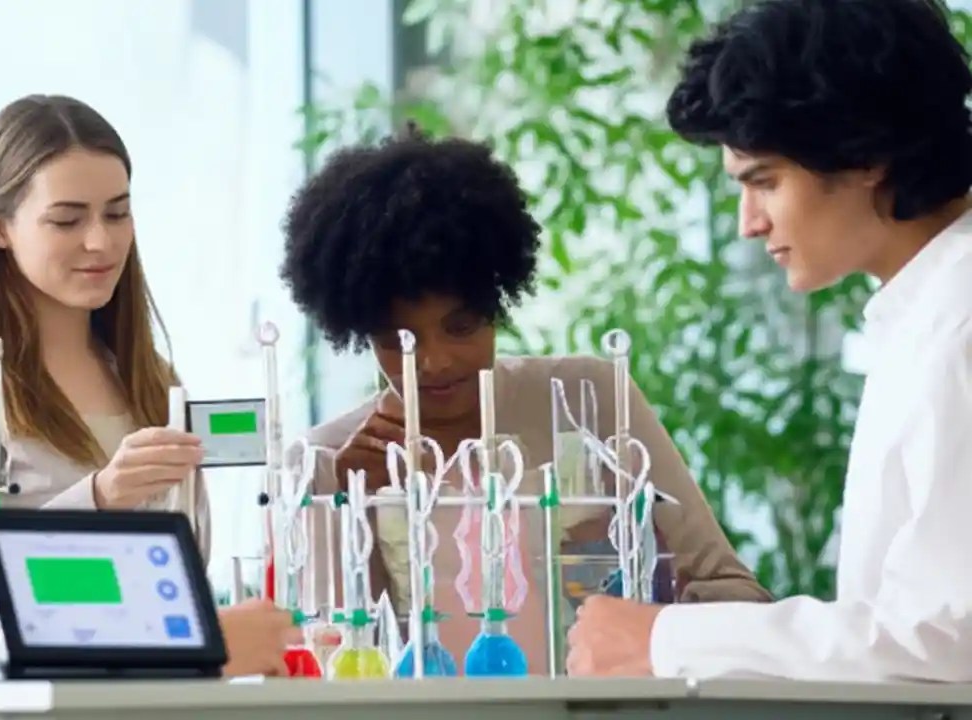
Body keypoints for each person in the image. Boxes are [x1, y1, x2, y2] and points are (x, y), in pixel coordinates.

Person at [566, 0, 972, 682]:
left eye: (764, 182)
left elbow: (949, 637)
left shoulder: (960, 323)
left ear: (865, 153)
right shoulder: (923, 310)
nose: (748, 224)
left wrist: (669, 642)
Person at [278, 125, 769, 675]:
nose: (435, 361)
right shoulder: (325, 462)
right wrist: (352, 511)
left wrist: (643, 596)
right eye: (400, 342)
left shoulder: (589, 398)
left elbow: (729, 590)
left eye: (461, 327)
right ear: (357, 330)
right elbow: (316, 660)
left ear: (498, 304)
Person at [0, 94, 293, 673]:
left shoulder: (151, 377)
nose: (101, 241)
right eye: (67, 220)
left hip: (154, 695)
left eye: (117, 213)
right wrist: (98, 498)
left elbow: (184, 573)